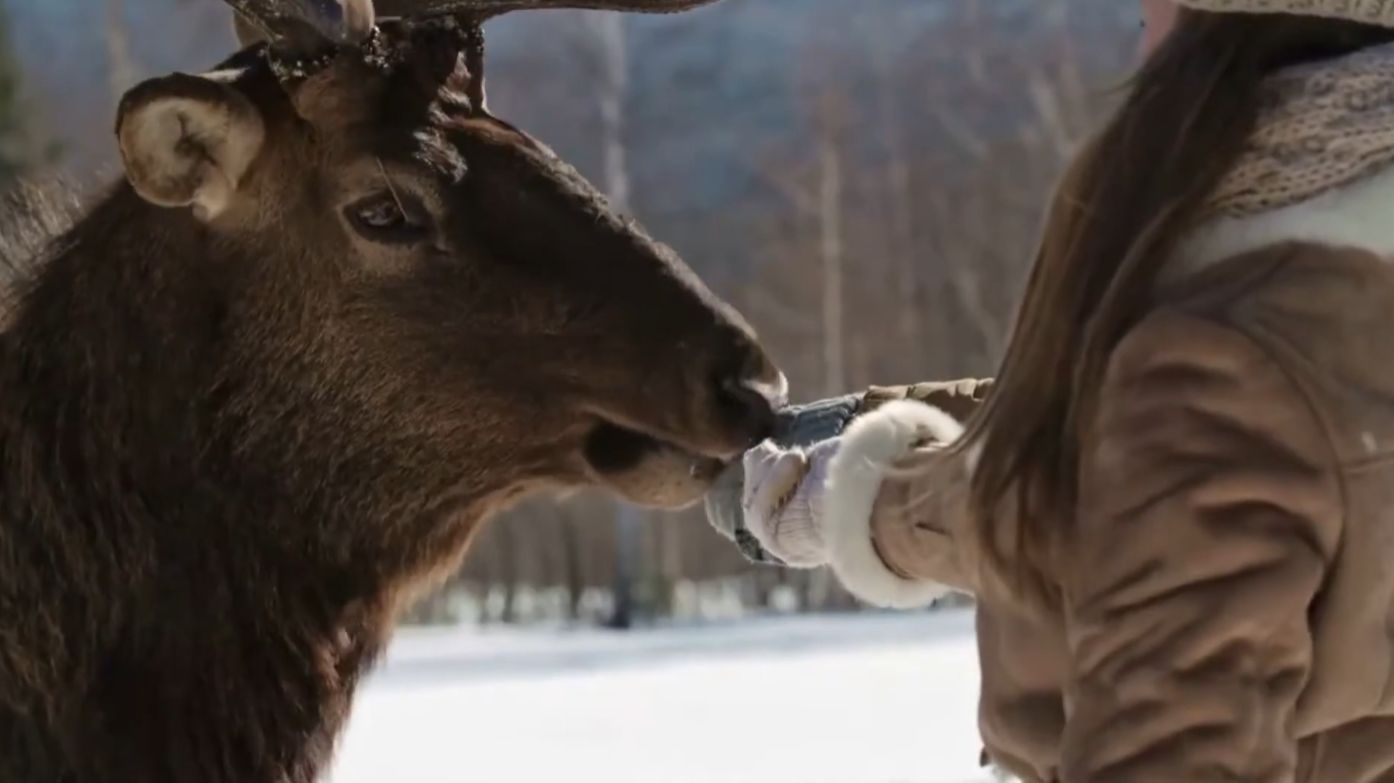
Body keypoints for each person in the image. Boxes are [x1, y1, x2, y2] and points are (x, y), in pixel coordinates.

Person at [715, 2, 1394, 781]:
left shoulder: (1226, 359)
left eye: (1153, 19)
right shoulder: (1313, 313)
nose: (1142, 50)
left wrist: (851, 498)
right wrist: (857, 485)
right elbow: (1106, 491)